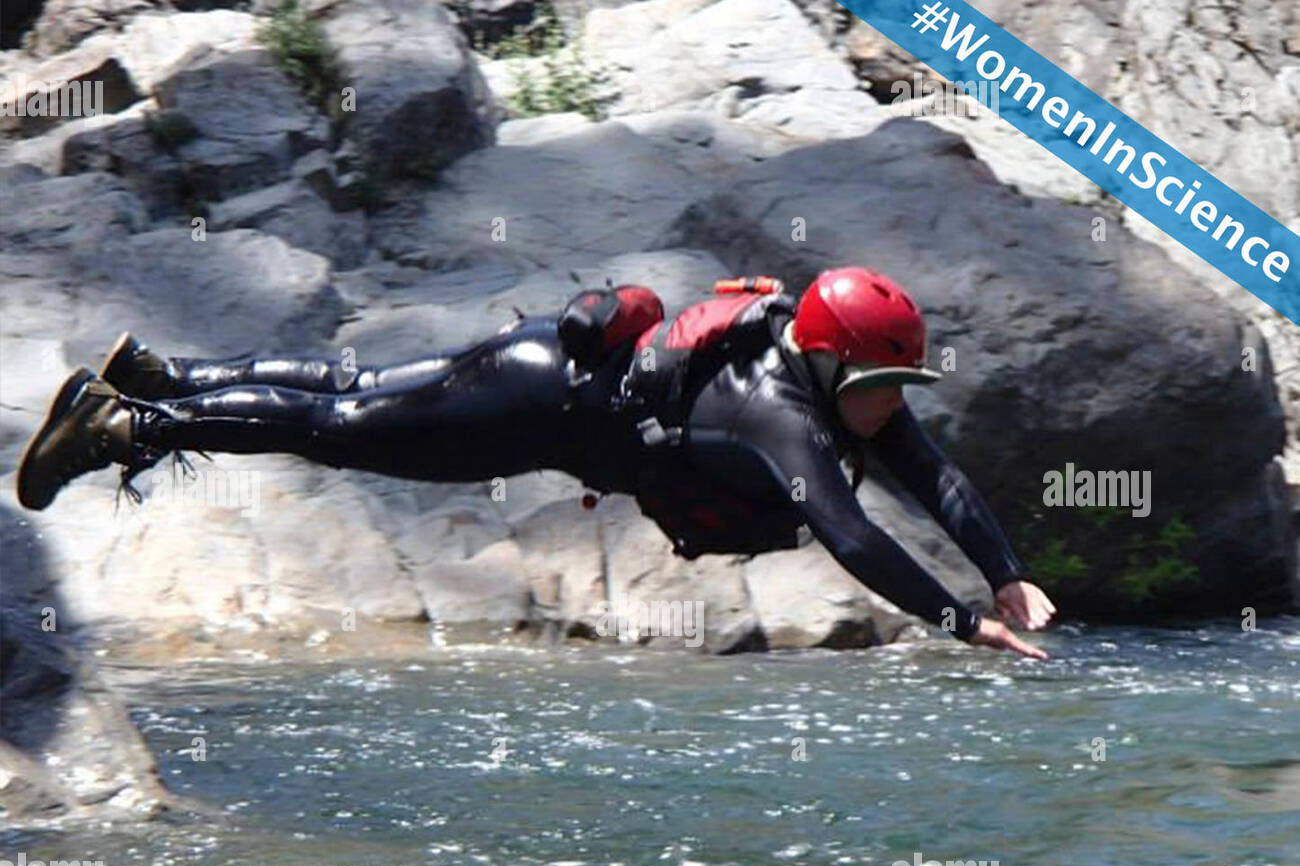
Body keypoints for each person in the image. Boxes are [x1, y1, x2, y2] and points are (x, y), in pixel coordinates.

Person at [15, 266, 1054, 657]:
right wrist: (962, 619)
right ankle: (128, 426)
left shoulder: (841, 385)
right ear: (827, 364)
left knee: (348, 393)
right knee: (331, 428)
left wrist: (1002, 569)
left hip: (540, 366)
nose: (893, 410)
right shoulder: (779, 408)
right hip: (530, 403)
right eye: (884, 387)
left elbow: (939, 479)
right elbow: (851, 529)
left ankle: (163, 370)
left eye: (901, 393)